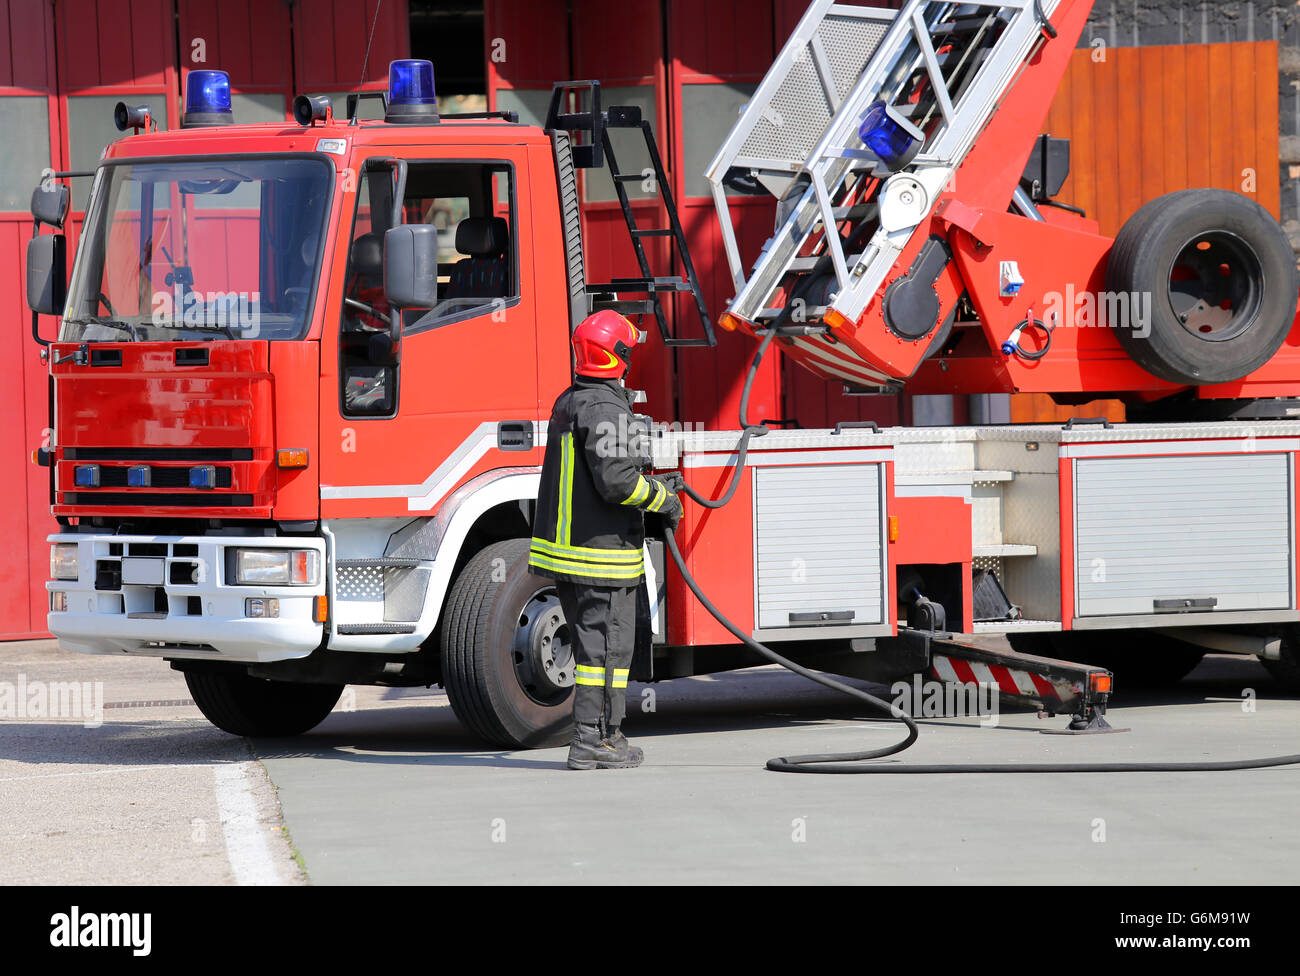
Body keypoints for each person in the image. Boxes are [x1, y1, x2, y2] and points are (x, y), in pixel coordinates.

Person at [529, 309, 682, 769]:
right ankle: (599, 741)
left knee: (590, 650)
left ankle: (592, 739)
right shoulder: (605, 408)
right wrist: (663, 498)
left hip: (572, 559)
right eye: (629, 349)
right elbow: (618, 482)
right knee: (609, 653)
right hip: (602, 560)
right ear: (617, 356)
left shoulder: (571, 401)